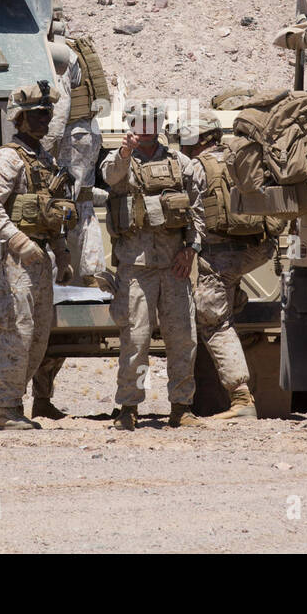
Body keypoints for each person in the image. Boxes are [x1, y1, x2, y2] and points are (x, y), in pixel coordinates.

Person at [0, 81, 75, 430]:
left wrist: (62, 256)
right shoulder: (7, 158)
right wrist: (20, 243)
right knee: (15, 331)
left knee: (38, 335)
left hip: (38, 257)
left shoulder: (44, 160)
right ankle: (5, 407)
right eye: (36, 115)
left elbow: (53, 213)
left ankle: (9, 403)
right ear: (19, 118)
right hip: (10, 258)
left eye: (47, 113)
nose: (44, 120)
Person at [102, 101, 204, 430]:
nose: (146, 127)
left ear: (159, 124)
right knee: (136, 338)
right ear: (130, 124)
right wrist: (124, 154)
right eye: (139, 122)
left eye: (152, 121)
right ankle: (129, 407)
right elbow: (110, 177)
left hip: (174, 264)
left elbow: (197, 210)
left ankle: (182, 406)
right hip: (136, 266)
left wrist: (191, 248)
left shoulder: (180, 162)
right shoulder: (119, 160)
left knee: (183, 337)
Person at [177, 109, 284, 420]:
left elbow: (189, 214)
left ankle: (241, 399)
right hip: (257, 249)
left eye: (187, 140)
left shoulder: (197, 167)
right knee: (223, 295)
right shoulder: (244, 159)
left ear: (200, 140)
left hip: (221, 254)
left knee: (213, 322)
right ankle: (233, 297)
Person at [29, 38, 110, 420]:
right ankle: (41, 397)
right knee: (81, 209)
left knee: (67, 211)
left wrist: (38, 149)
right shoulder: (74, 51)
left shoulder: (55, 55)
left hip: (74, 140)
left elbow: (58, 110)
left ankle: (84, 273)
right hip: (87, 138)